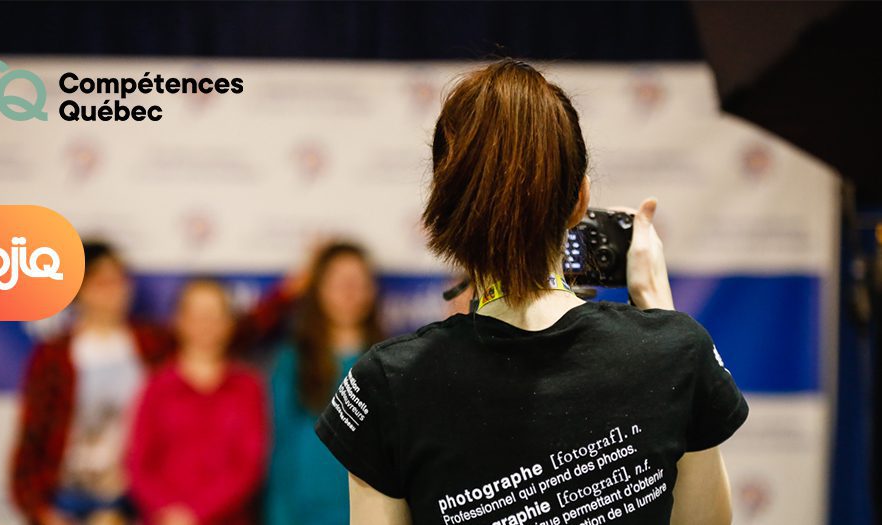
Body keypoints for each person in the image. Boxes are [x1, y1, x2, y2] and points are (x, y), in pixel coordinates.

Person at [314, 59, 749, 525]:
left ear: (444, 202)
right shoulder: (677, 353)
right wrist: (659, 311)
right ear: (580, 199)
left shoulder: (385, 384)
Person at [10, 242, 171, 525]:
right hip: (65, 497)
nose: (114, 290)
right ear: (79, 290)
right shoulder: (54, 356)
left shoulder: (152, 345)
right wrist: (40, 510)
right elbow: (33, 436)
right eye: (102, 282)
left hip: (132, 500)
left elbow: (217, 335)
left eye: (119, 280)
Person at [126, 279, 270, 525]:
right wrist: (169, 513)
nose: (205, 323)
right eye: (196, 314)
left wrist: (196, 513)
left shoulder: (248, 387)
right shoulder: (157, 387)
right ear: (178, 320)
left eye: (214, 314)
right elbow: (138, 463)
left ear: (230, 323)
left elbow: (248, 465)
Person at [265, 242, 383, 525]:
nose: (349, 292)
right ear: (318, 290)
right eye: (339, 282)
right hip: (304, 515)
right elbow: (279, 452)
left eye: (357, 282)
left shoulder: (390, 362)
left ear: (372, 290)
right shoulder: (292, 361)